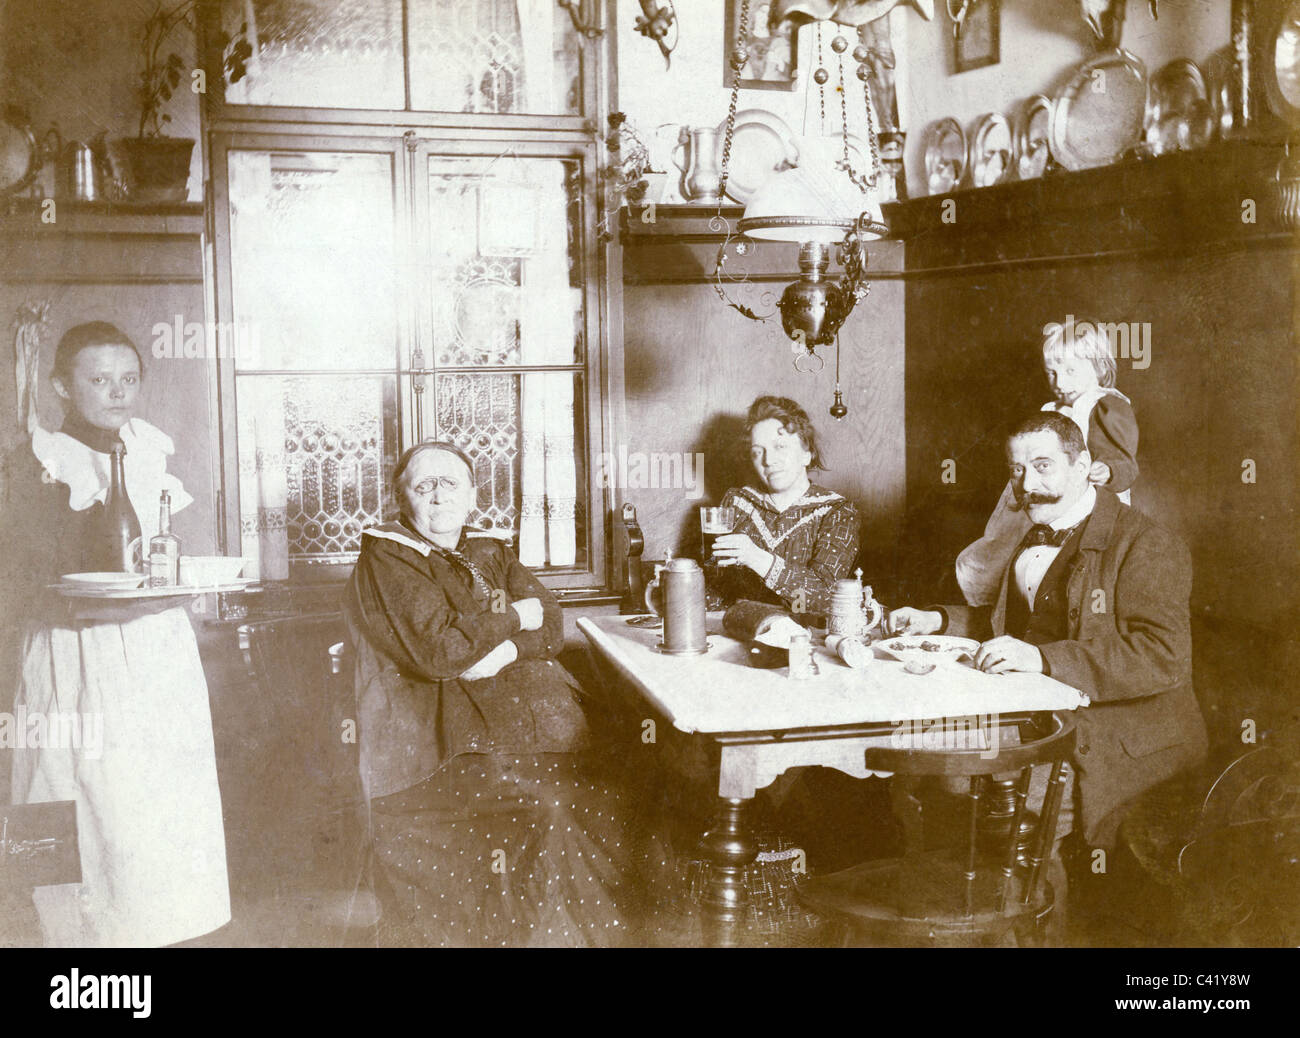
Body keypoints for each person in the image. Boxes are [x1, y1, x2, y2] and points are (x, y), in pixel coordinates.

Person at [344, 441, 633, 947]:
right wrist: (514, 617)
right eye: (423, 485)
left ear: (473, 495)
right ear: (402, 498)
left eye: (450, 483)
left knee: (616, 785)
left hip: (505, 720)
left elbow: (551, 620)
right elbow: (439, 651)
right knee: (553, 809)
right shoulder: (387, 556)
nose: (438, 497)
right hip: (433, 740)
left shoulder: (487, 549)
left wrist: (505, 652)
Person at [889, 411, 1207, 860]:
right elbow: (1011, 632)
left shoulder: (1146, 542)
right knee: (921, 769)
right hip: (1043, 718)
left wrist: (1042, 660)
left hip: (1123, 738)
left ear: (1081, 467)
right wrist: (937, 620)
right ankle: (955, 913)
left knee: (1008, 815)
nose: (1026, 484)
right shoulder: (1036, 531)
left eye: (1042, 466)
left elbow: (1162, 656)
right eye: (1017, 469)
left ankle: (1028, 925)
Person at [3, 322, 230, 947]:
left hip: (154, 651)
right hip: (75, 649)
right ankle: (67, 951)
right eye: (99, 380)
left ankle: (158, 938)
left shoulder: (149, 449)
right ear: (63, 387)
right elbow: (23, 570)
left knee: (151, 805)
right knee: (70, 794)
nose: (117, 393)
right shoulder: (40, 459)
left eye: (128, 379)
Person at [956, 320, 1140, 606]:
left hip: (1089, 499)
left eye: (1070, 371)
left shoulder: (1106, 406)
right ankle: (1002, 606)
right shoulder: (1051, 409)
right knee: (1011, 545)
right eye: (1052, 373)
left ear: (1099, 367)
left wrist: (1110, 469)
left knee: (1084, 561)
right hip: (1047, 494)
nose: (1060, 382)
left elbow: (1127, 461)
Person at [712, 396, 861, 622]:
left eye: (780, 446)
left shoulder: (836, 511)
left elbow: (823, 597)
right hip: (739, 629)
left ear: (806, 453)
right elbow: (716, 587)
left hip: (805, 638)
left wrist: (757, 558)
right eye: (757, 451)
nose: (768, 460)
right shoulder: (737, 502)